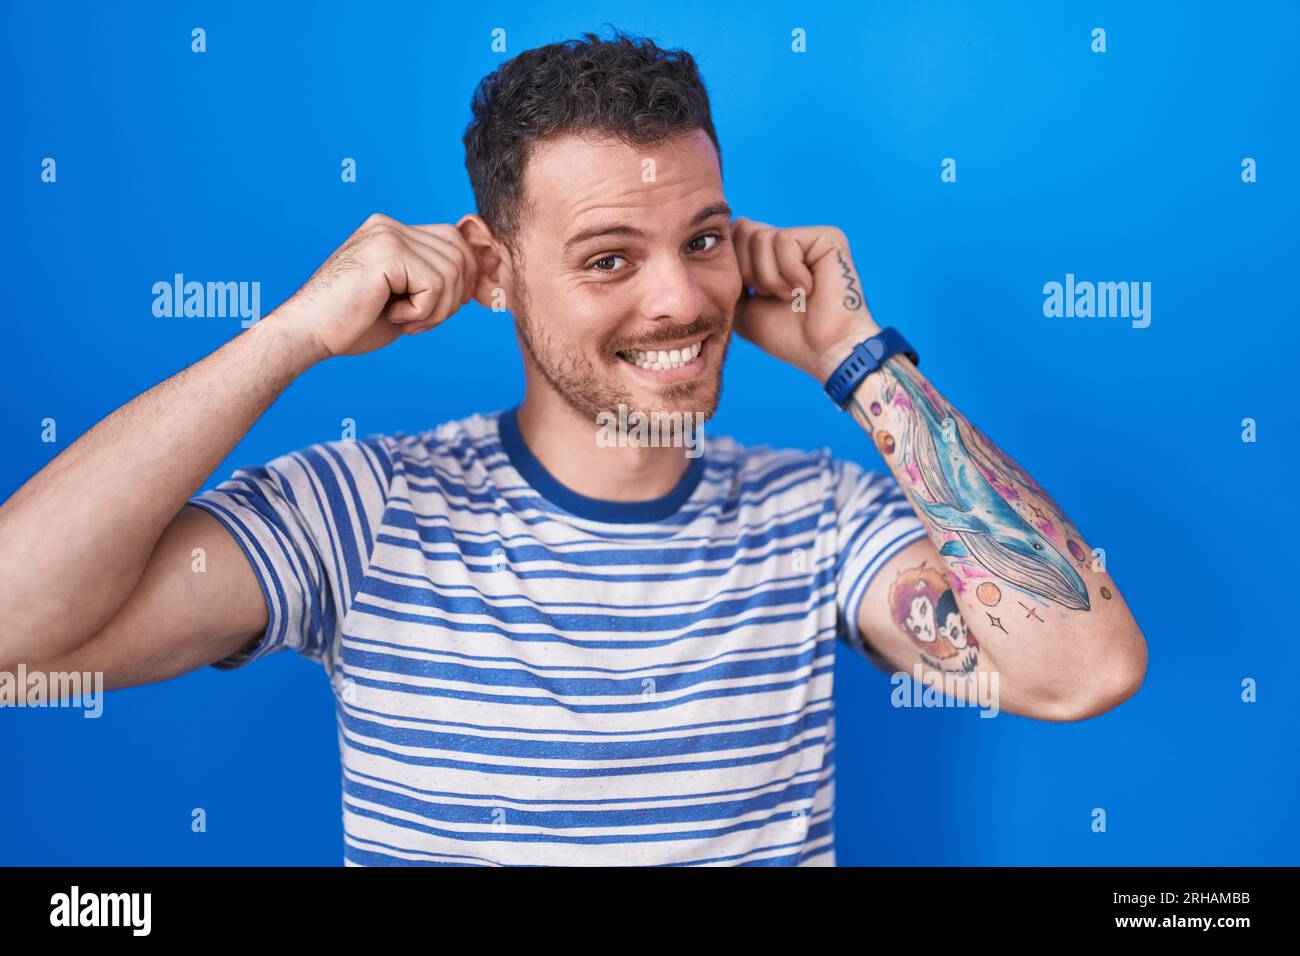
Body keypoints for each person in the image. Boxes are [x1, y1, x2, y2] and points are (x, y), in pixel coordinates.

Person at [0, 29, 1146, 866]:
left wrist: (856, 357)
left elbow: (1083, 667)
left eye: (703, 239)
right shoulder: (359, 511)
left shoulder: (816, 517)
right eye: (609, 257)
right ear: (494, 272)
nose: (680, 298)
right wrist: (293, 334)